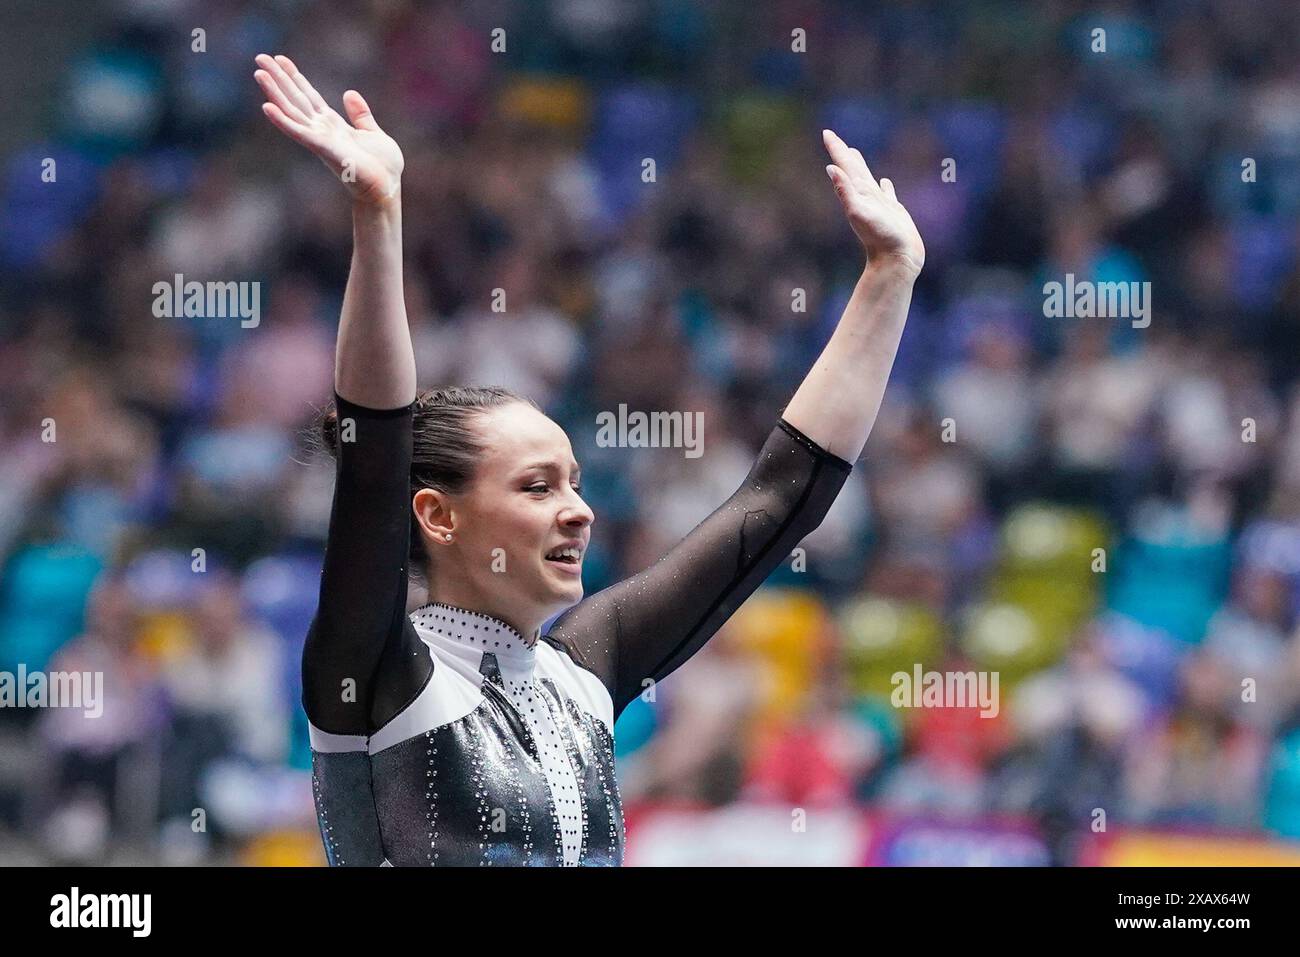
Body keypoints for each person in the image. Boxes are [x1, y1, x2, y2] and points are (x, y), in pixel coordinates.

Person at [253, 52, 924, 865]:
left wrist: (888, 277)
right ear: (436, 513)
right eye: (537, 486)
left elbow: (780, 499)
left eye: (573, 481)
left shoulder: (583, 670)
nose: (578, 509)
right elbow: (372, 458)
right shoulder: (380, 671)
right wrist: (379, 213)